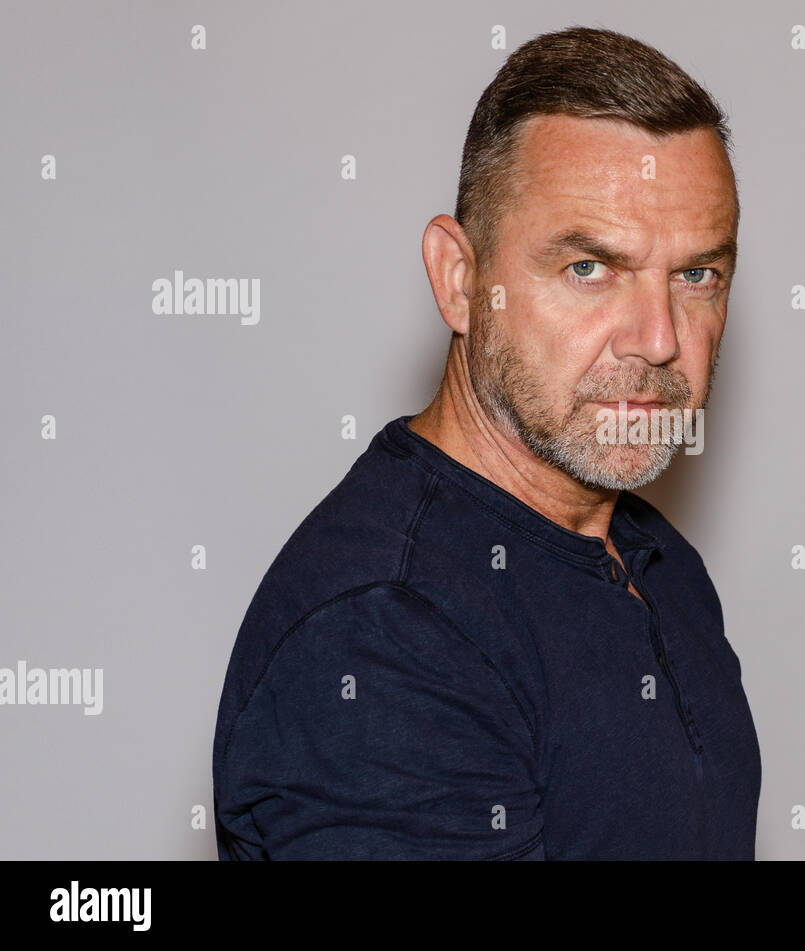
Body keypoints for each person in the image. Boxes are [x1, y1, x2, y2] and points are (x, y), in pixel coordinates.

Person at [212, 25, 760, 860]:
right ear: (460, 280)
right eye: (590, 268)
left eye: (696, 275)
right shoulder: (383, 635)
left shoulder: (659, 562)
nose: (657, 337)